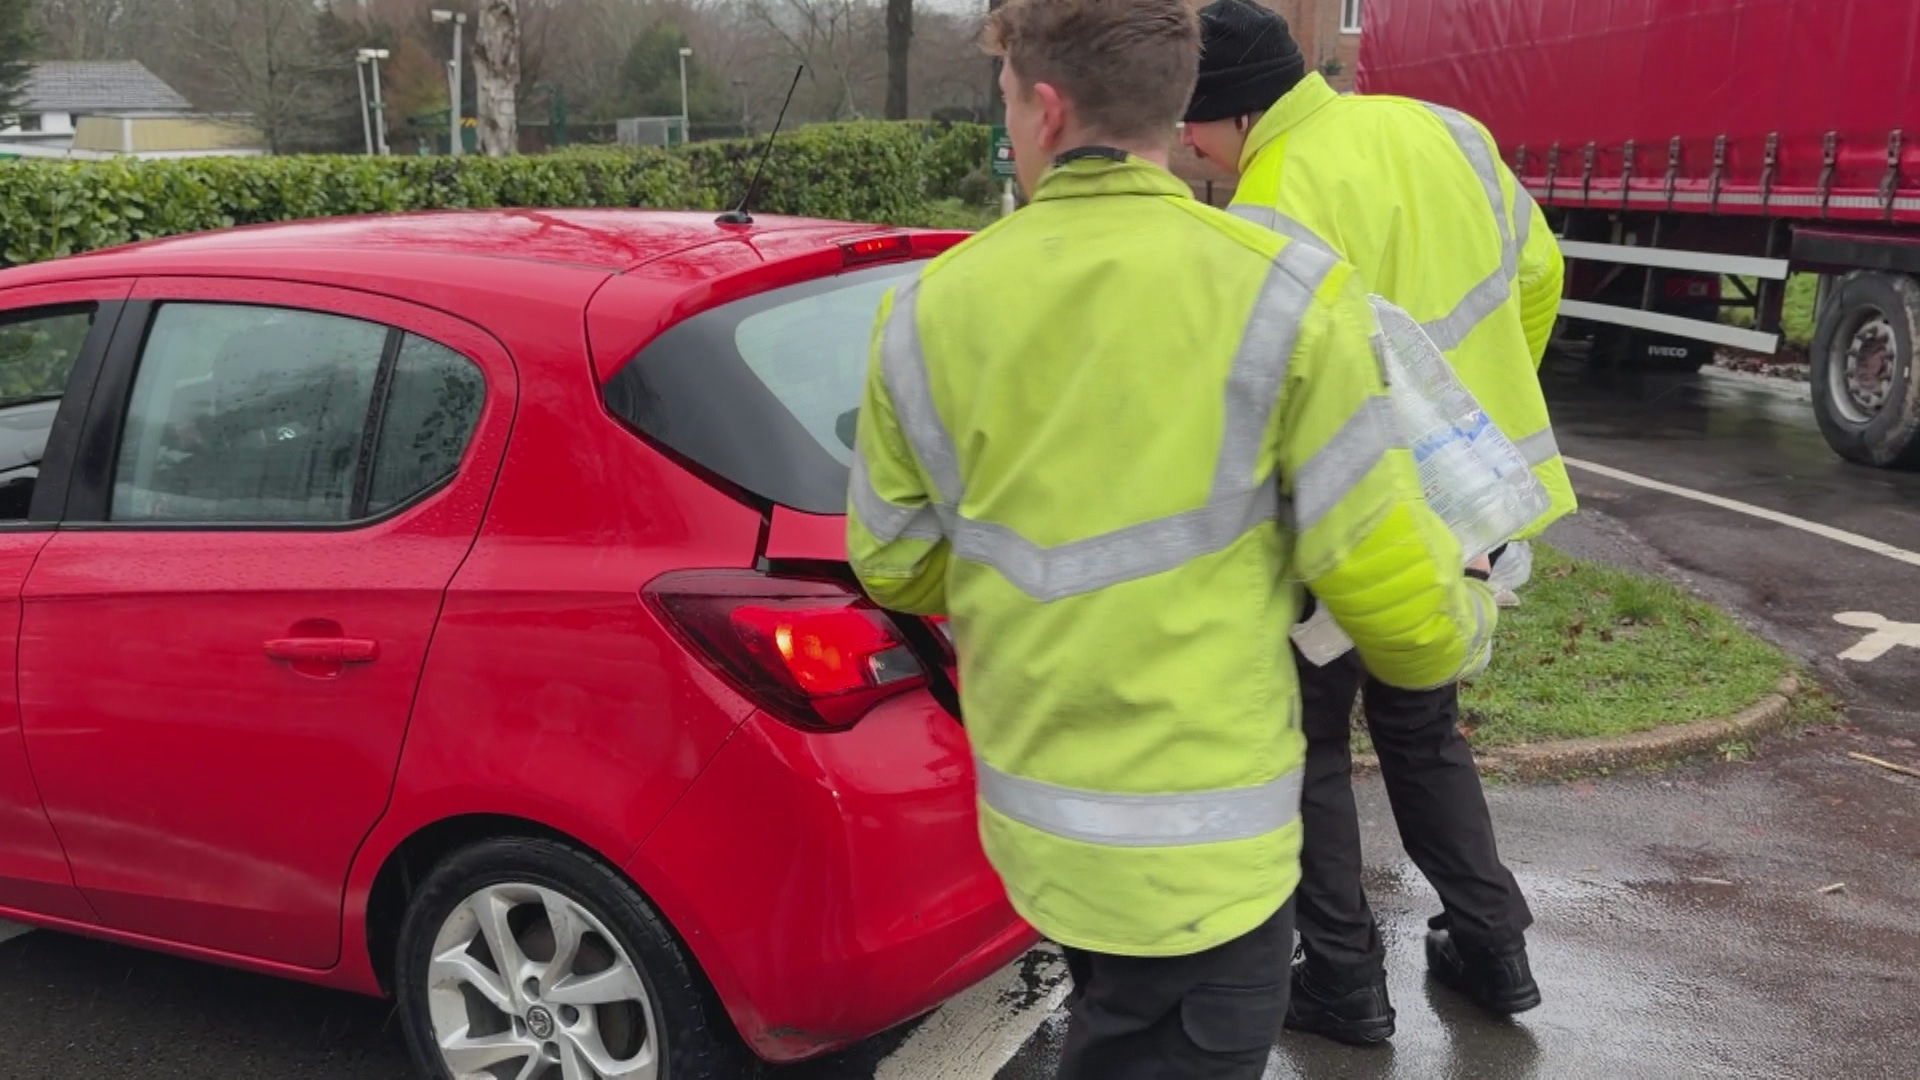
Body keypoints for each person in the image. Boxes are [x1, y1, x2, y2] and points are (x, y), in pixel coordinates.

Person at [845, 0, 1501, 1075]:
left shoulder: (925, 310)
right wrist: (1468, 600)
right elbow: (1404, 618)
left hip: (1045, 843)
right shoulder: (1289, 298)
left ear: (1048, 109)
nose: (1007, 122)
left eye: (1005, 99)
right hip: (1211, 865)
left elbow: (894, 557)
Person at [1179, 0, 1575, 1046]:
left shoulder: (1274, 193)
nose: (1188, 145)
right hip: (1466, 512)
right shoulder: (1445, 128)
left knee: (1311, 741)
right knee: (1422, 729)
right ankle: (1495, 949)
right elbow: (1539, 274)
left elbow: (1276, 384)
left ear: (1238, 111)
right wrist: (1477, 425)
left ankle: (1345, 984)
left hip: (1357, 515)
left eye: (1196, 122)